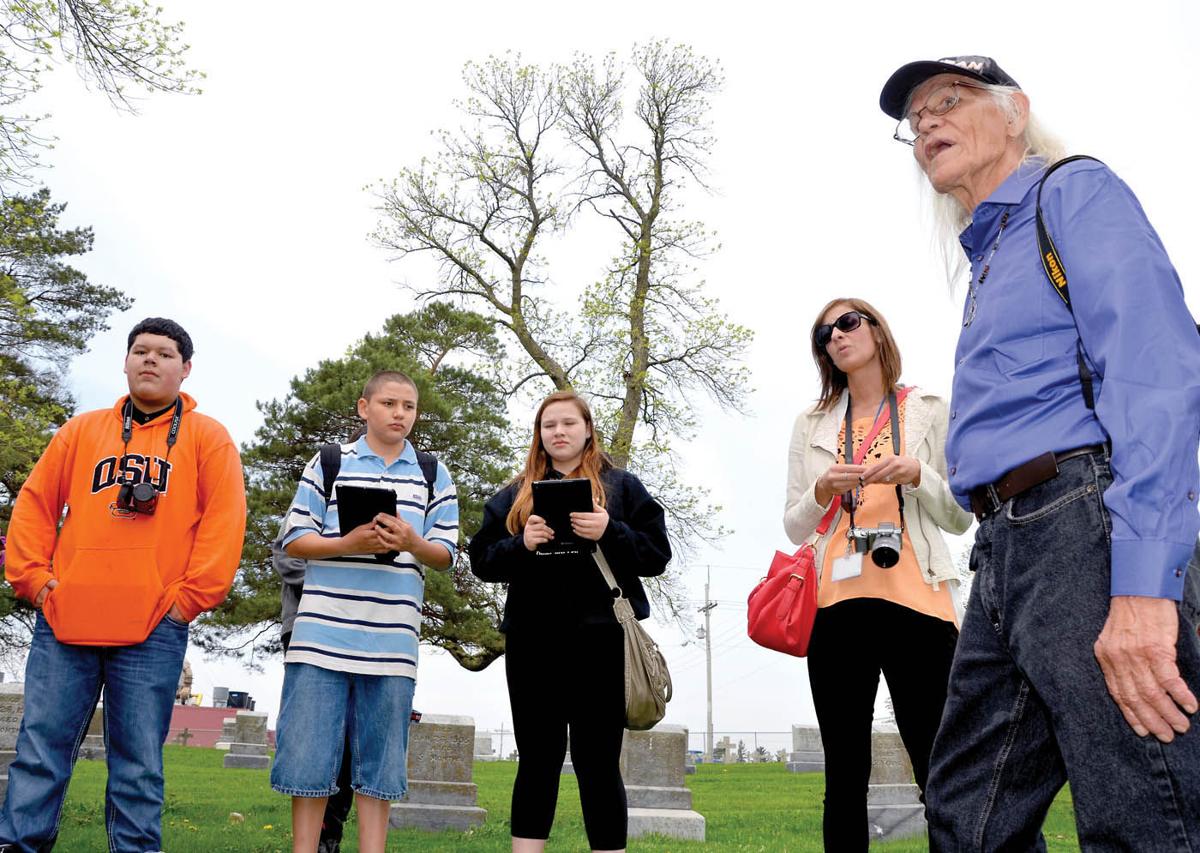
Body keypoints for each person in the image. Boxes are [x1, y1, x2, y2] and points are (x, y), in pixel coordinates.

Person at [879, 55, 1200, 849]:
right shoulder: (987, 255)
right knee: (966, 815)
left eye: (948, 101)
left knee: (1142, 806)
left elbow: (1155, 370)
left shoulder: (1073, 193)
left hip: (1079, 524)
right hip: (1002, 551)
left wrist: (1143, 586)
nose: (927, 126)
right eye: (914, 121)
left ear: (1014, 112)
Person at [1, 317, 246, 852]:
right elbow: (35, 505)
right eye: (140, 351)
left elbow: (224, 526)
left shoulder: (209, 438)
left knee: (137, 763)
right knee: (40, 750)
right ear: (126, 361)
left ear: (185, 368)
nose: (150, 360)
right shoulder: (82, 431)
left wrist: (186, 603)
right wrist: (36, 582)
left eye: (163, 353)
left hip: (153, 625)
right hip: (67, 619)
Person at [783, 297, 971, 851]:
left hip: (920, 603)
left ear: (876, 329)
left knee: (938, 763)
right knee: (844, 771)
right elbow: (795, 527)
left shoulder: (930, 409)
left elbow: (960, 516)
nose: (836, 337)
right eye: (824, 335)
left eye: (847, 323)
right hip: (836, 605)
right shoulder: (812, 423)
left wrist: (918, 474)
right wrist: (821, 492)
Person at [468, 390, 670, 853]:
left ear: (587, 429)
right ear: (539, 435)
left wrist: (609, 530)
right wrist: (522, 544)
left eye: (567, 424)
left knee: (598, 762)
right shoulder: (513, 495)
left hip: (601, 643)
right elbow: (481, 561)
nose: (558, 432)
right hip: (532, 643)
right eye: (548, 426)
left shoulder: (621, 488)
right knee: (537, 760)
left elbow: (657, 555)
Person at [271, 370, 458, 853]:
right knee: (308, 764)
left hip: (393, 642)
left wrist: (411, 541)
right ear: (363, 408)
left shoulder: (433, 473)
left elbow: (447, 555)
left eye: (409, 407)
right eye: (390, 404)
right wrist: (347, 543)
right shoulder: (329, 462)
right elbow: (295, 539)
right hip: (319, 641)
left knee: (380, 766)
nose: (400, 414)